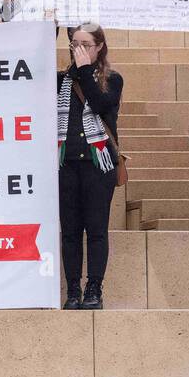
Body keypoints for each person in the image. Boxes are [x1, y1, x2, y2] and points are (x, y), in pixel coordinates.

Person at [58, 23, 122, 311]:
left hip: (99, 165)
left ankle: (94, 287)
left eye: (85, 44)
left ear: (99, 47)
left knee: (96, 230)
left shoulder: (112, 79)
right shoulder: (61, 80)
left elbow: (99, 104)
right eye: (75, 45)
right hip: (67, 163)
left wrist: (84, 71)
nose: (79, 50)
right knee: (70, 231)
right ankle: (72, 289)